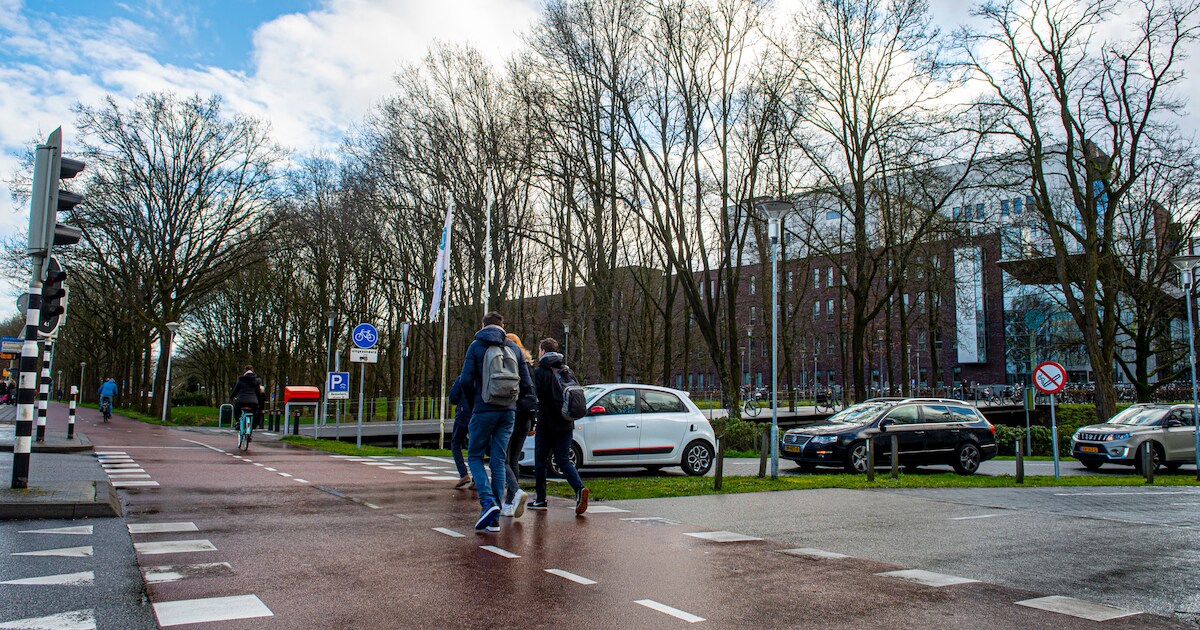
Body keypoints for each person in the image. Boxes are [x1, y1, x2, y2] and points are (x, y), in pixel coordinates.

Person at [456, 311, 533, 533]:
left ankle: (488, 503)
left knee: (475, 456)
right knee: (499, 461)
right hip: (508, 411)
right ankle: (494, 518)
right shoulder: (514, 348)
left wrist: (473, 406)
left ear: (483, 325)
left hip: (483, 409)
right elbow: (527, 384)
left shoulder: (476, 346)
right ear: (503, 325)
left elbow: (466, 381)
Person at [530, 338, 588, 515]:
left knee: (540, 461)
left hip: (547, 423)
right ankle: (579, 488)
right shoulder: (567, 370)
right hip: (566, 422)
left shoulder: (540, 371)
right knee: (563, 460)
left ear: (542, 351)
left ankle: (540, 499)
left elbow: (533, 397)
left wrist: (532, 421)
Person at [501, 333, 535, 518]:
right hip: (525, 420)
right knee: (513, 459)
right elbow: (533, 395)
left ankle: (514, 491)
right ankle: (509, 503)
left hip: (512, 415)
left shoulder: (511, 364)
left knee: (500, 459)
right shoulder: (529, 366)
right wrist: (533, 421)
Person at [447, 374, 473, 488]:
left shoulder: (462, 378)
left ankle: (463, 474)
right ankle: (477, 480)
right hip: (478, 415)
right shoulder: (482, 376)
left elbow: (453, 397)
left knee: (455, 443)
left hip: (463, 414)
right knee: (476, 447)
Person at [229, 366, 265, 440]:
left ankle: (238, 422)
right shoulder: (256, 381)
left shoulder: (241, 380)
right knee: (254, 413)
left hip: (241, 401)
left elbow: (235, 391)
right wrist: (257, 401)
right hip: (253, 402)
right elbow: (258, 393)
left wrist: (231, 397)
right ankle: (251, 431)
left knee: (236, 408)